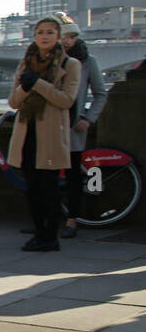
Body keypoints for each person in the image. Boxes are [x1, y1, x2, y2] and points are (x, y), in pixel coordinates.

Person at [9, 15, 80, 252]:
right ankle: (39, 233)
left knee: (48, 188)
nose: (45, 36)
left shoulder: (70, 65)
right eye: (40, 32)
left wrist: (38, 84)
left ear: (58, 37)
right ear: (34, 36)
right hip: (27, 132)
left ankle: (50, 236)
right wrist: (25, 86)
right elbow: (13, 102)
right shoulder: (25, 63)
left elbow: (66, 100)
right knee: (32, 189)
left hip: (49, 134)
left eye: (50, 32)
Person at [55, 20, 107, 239]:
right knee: (42, 174)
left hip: (73, 125)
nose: (68, 41)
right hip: (49, 124)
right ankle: (47, 218)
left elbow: (100, 93)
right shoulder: (47, 59)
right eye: (64, 36)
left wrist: (88, 118)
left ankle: (72, 219)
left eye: (72, 37)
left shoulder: (87, 61)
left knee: (74, 174)